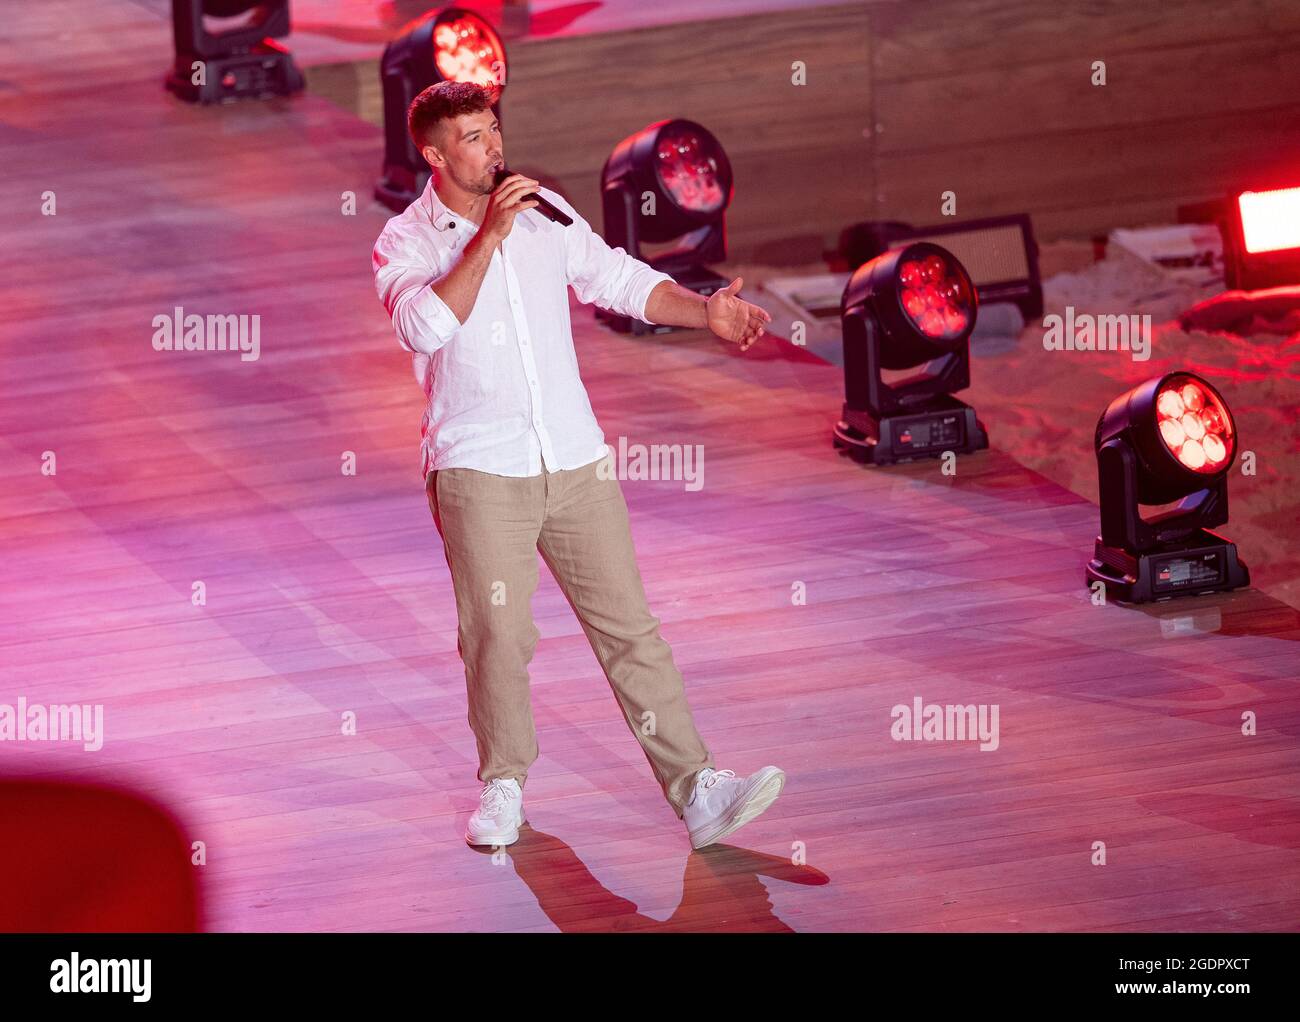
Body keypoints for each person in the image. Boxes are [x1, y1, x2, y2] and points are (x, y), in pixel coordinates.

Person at [372, 80, 784, 850]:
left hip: (575, 459)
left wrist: (704, 311)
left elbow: (617, 278)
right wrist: (485, 237)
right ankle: (504, 786)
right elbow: (422, 328)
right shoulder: (407, 240)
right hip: (479, 471)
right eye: (471, 137)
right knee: (497, 632)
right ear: (433, 152)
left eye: (493, 129)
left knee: (632, 630)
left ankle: (697, 789)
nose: (493, 147)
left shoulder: (547, 211)